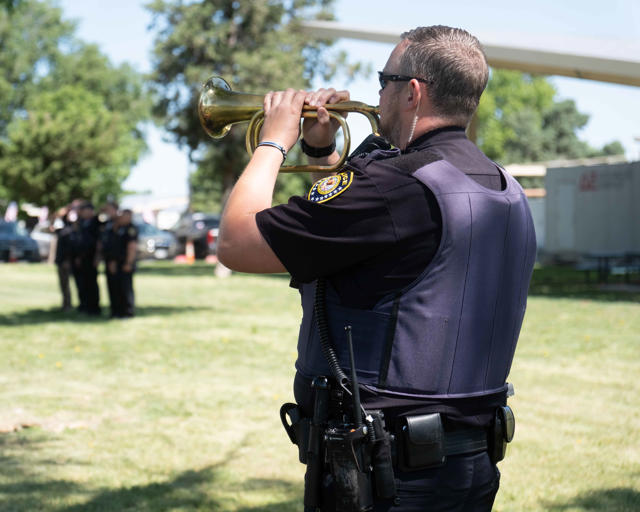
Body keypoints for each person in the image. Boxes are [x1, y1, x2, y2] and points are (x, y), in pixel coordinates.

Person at [216, 26, 537, 512]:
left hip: (385, 476)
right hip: (465, 465)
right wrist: (324, 153)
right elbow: (366, 249)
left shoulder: (393, 187)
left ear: (412, 91)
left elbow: (237, 241)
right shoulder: (501, 186)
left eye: (384, 79)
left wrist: (274, 142)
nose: (377, 92)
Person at [102, 208, 139, 318]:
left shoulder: (130, 229)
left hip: (124, 263)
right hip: (113, 263)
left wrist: (128, 263)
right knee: (114, 288)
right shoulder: (115, 228)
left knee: (125, 289)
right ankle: (116, 311)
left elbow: (131, 248)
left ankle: (127, 312)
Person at [71, 201, 101, 315]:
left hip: (91, 257)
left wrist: (97, 257)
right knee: (82, 283)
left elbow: (98, 242)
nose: (82, 213)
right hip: (81, 257)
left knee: (92, 283)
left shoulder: (96, 223)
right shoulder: (81, 223)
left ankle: (94, 307)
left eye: (84, 210)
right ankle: (84, 305)